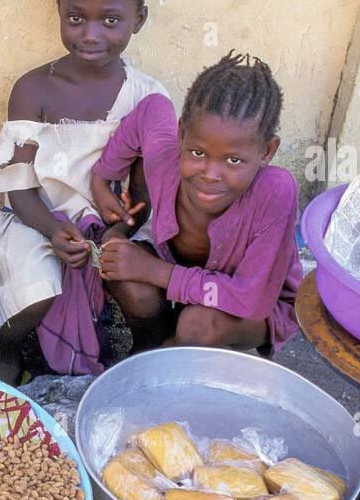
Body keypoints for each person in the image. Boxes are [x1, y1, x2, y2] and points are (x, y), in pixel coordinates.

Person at [0, 0, 167, 382]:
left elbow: (144, 193)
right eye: (76, 18)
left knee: (142, 295)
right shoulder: (33, 89)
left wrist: (121, 230)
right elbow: (18, 186)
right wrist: (51, 229)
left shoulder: (148, 97)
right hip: (35, 217)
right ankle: (8, 349)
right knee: (32, 289)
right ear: (59, 11)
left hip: (114, 226)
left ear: (139, 19)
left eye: (111, 20)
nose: (91, 34)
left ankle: (142, 358)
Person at [91, 52, 302, 355]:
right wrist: (102, 181)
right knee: (123, 272)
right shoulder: (166, 158)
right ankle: (149, 348)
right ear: (181, 134)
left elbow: (251, 300)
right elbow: (152, 109)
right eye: (198, 153)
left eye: (234, 160)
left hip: (248, 310)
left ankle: (173, 359)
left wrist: (153, 270)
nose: (210, 175)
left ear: (267, 152)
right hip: (183, 278)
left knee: (196, 325)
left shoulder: (274, 191)